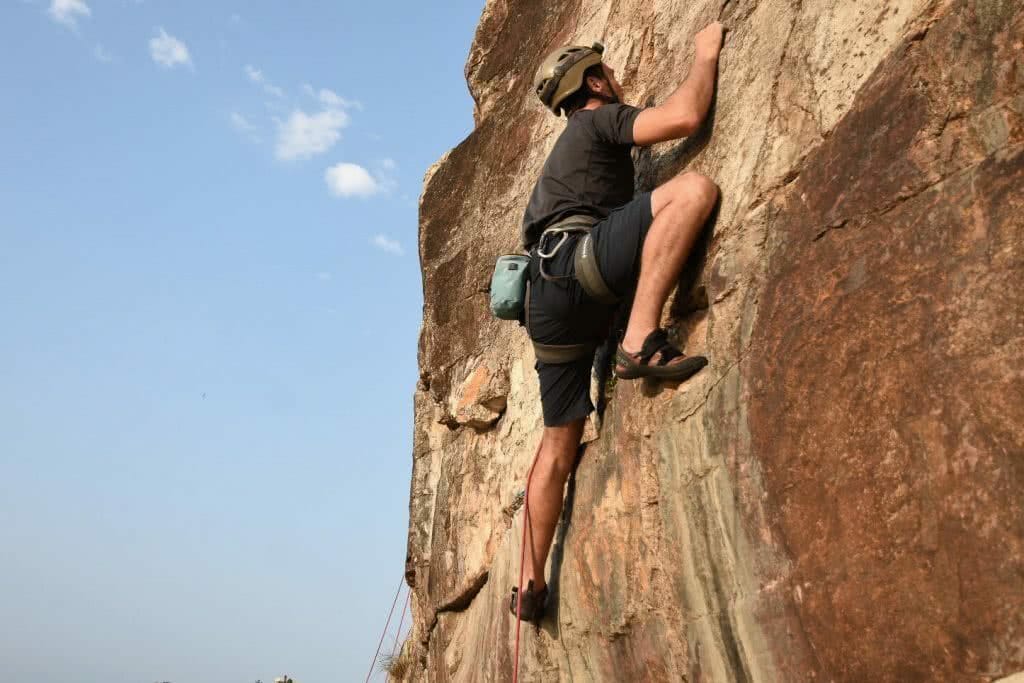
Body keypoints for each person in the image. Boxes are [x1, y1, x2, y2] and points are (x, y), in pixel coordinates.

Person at [511, 22, 725, 622]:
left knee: (558, 446)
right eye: (607, 71)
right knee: (692, 191)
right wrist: (704, 52)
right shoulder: (596, 120)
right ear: (594, 81)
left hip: (546, 303)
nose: (618, 77)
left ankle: (528, 581)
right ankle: (638, 341)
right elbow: (684, 116)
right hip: (579, 269)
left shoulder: (561, 159)